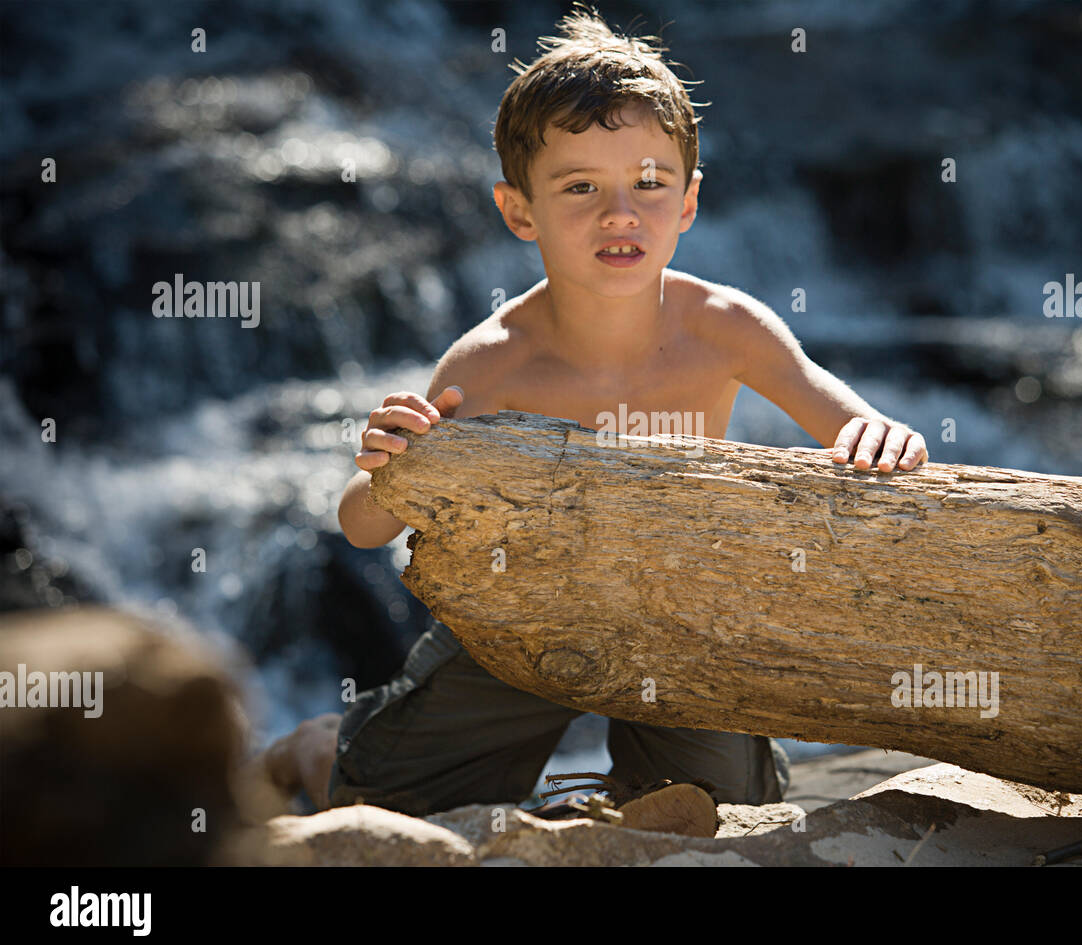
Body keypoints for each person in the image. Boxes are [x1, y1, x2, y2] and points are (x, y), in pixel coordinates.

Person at [261, 3, 928, 819]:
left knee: (713, 806)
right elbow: (364, 527)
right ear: (519, 212)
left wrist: (882, 436)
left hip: (676, 612)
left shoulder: (730, 328)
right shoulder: (492, 361)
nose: (620, 214)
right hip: (517, 617)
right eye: (580, 188)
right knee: (384, 799)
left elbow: (861, 429)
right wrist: (389, 468)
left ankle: (622, 791)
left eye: (649, 184)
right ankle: (320, 746)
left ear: (686, 202)